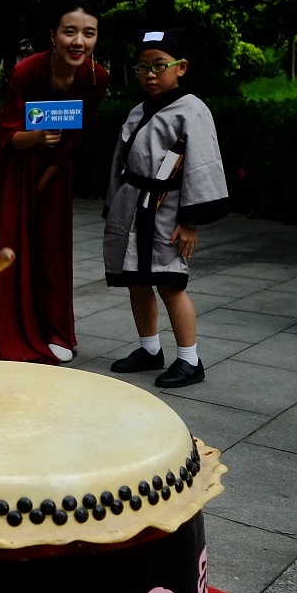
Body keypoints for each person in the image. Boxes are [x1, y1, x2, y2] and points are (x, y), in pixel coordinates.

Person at [0, 0, 108, 364]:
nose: (79, 41)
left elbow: (74, 139)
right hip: (13, 162)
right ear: (53, 35)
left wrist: (46, 180)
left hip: (55, 166)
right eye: (70, 32)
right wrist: (35, 139)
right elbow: (9, 135)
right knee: (10, 241)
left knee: (50, 246)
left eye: (89, 33)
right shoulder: (26, 72)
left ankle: (56, 330)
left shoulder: (97, 78)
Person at [103, 29, 230, 388]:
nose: (151, 74)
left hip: (168, 208)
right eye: (143, 67)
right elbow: (120, 163)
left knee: (169, 282)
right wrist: (114, 206)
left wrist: (190, 220)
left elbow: (203, 165)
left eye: (160, 65)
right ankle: (149, 349)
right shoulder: (138, 110)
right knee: (136, 281)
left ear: (182, 67)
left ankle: (190, 359)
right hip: (134, 206)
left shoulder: (192, 110)